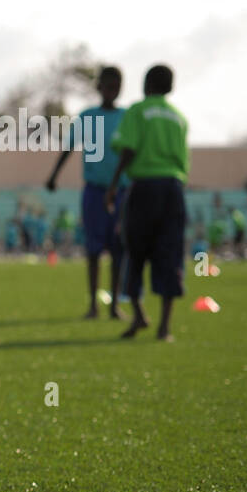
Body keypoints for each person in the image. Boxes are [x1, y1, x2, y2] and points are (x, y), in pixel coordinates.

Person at [106, 65, 188, 341]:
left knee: (135, 250)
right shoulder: (179, 118)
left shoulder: (138, 110)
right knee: (170, 253)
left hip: (144, 189)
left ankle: (138, 314)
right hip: (173, 190)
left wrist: (114, 183)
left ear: (146, 84)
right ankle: (164, 327)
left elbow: (128, 148)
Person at [46, 66, 129, 319]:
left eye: (116, 86)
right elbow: (69, 147)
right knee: (93, 250)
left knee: (119, 250)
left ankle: (115, 305)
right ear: (99, 87)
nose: (111, 90)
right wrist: (53, 176)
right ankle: (93, 304)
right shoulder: (87, 117)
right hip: (94, 191)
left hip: (121, 192)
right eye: (106, 85)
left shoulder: (128, 117)